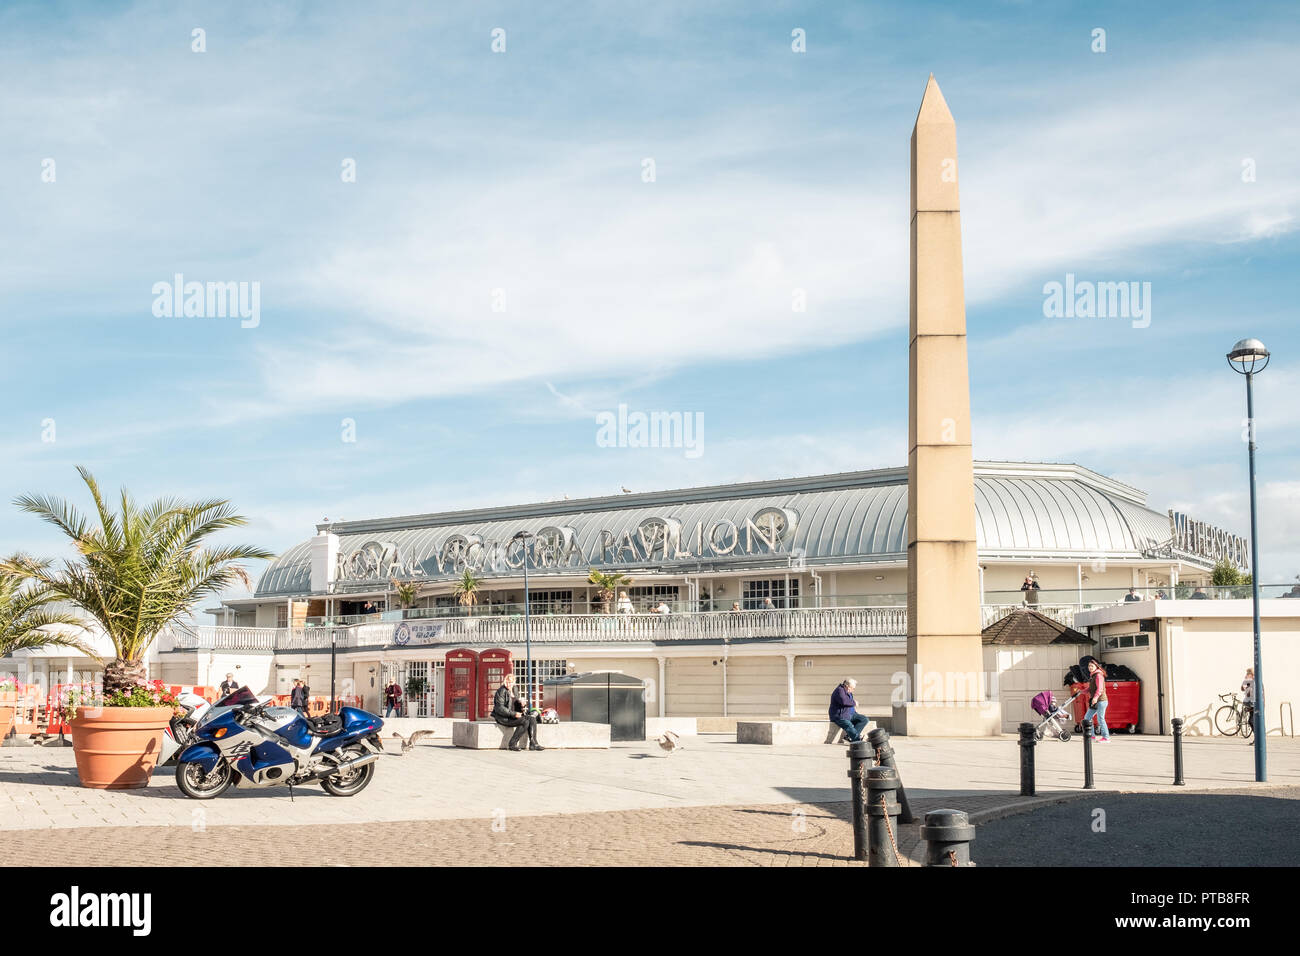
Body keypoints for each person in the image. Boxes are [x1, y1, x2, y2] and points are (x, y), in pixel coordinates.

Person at [492, 673, 543, 751]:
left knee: (532, 718)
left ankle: (533, 743)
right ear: (505, 682)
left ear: (514, 682)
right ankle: (512, 744)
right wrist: (514, 714)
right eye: (508, 682)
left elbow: (515, 705)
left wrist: (522, 705)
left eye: (511, 682)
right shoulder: (501, 691)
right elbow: (500, 708)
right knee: (525, 721)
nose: (509, 684)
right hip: (503, 717)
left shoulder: (514, 689)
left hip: (513, 715)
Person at [829, 678, 869, 743]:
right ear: (847, 686)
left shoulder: (848, 692)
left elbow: (849, 704)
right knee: (848, 725)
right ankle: (857, 740)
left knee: (864, 719)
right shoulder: (839, 690)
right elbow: (844, 701)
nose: (853, 690)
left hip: (850, 714)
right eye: (852, 688)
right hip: (840, 716)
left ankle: (849, 737)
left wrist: (855, 713)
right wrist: (854, 703)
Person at [1082, 657, 1110, 742]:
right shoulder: (1093, 676)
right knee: (1087, 718)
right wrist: (1082, 691)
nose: (1090, 667)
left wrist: (1095, 697)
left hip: (1101, 701)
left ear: (1096, 667)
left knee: (1100, 719)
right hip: (1095, 701)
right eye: (1089, 666)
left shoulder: (1098, 675)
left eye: (1092, 666)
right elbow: (1091, 688)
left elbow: (1100, 689)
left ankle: (1106, 737)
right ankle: (1091, 736)